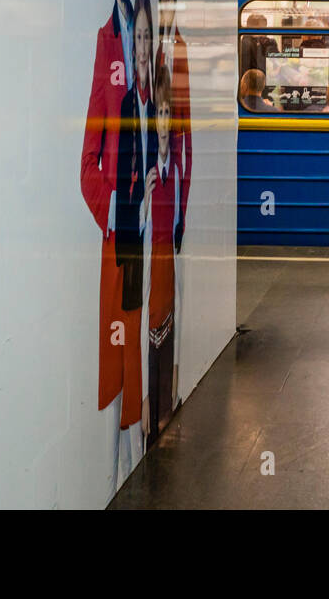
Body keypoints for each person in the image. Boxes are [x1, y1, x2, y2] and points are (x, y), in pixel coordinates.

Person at [79, 0, 141, 493]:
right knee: (114, 346)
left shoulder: (141, 40)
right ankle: (110, 470)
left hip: (144, 231)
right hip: (118, 229)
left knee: (135, 344)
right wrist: (113, 217)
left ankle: (132, 458)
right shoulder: (106, 42)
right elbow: (87, 161)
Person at [115, 0, 157, 468]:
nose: (143, 46)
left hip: (154, 243)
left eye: (148, 39)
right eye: (139, 38)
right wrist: (137, 198)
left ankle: (142, 422)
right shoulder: (130, 104)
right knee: (129, 333)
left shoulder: (153, 99)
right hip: (134, 242)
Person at [147, 64, 180, 445]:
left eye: (168, 112)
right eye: (158, 113)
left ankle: (161, 409)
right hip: (152, 266)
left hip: (166, 264)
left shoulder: (174, 165)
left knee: (165, 329)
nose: (164, 121)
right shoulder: (149, 170)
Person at [155, 0, 191, 260]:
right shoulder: (148, 43)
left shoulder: (177, 47)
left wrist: (181, 214)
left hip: (169, 184)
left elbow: (185, 137)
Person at [239, 14, 278, 78]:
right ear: (254, 28)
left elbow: (275, 56)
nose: (265, 31)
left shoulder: (263, 41)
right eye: (263, 28)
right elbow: (246, 70)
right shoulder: (246, 44)